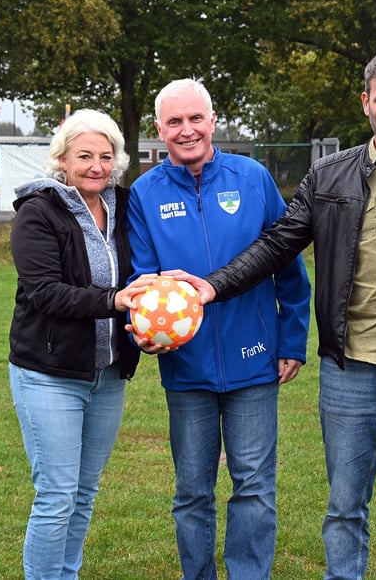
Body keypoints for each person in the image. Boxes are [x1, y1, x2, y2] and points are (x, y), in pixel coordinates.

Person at [172, 50, 376, 579]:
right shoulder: (329, 175)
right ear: (365, 103)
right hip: (349, 371)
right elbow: (278, 244)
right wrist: (213, 286)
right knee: (344, 512)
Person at [126, 78, 312, 580]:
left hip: (255, 358)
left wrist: (292, 340)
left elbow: (288, 265)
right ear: (159, 129)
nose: (186, 130)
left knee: (253, 484)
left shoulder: (252, 178)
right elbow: (141, 278)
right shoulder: (145, 193)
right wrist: (140, 326)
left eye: (195, 118)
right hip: (186, 366)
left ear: (212, 120)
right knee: (192, 491)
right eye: (174, 121)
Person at [8, 108, 151, 580]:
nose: (96, 166)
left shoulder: (125, 206)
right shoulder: (38, 212)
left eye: (105, 156)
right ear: (62, 160)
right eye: (84, 156)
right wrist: (115, 300)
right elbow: (45, 293)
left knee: (84, 493)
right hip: (49, 374)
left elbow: (145, 268)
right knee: (56, 495)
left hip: (108, 375)